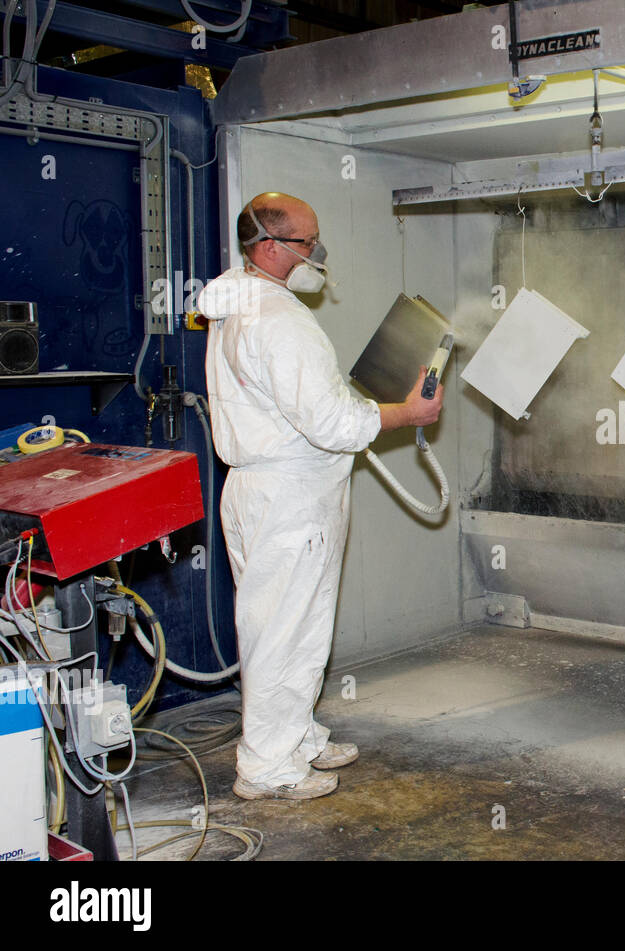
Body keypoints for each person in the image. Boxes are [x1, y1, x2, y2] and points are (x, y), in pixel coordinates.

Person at [197, 192, 443, 800]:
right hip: (291, 494)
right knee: (285, 627)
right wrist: (408, 411)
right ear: (272, 247)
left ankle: (293, 736)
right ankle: (267, 767)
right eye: (309, 243)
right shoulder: (278, 320)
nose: (319, 254)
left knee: (291, 623)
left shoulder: (237, 299)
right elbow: (332, 424)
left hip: (266, 489)